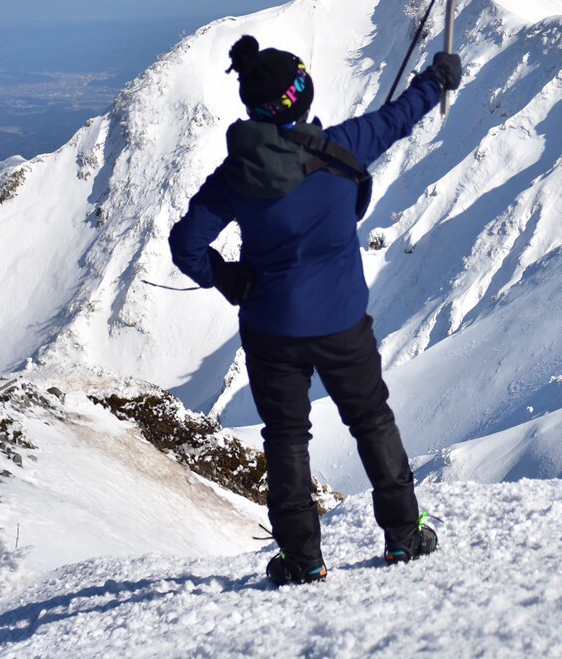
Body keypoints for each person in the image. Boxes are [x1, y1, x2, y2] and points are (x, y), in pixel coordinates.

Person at [168, 33, 461, 586]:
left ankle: (302, 560)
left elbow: (185, 245)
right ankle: (404, 535)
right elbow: (399, 117)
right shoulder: (343, 145)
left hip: (270, 328)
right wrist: (437, 77)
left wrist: (228, 277)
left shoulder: (235, 177)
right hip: (343, 322)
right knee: (372, 421)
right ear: (302, 97)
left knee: (285, 438)